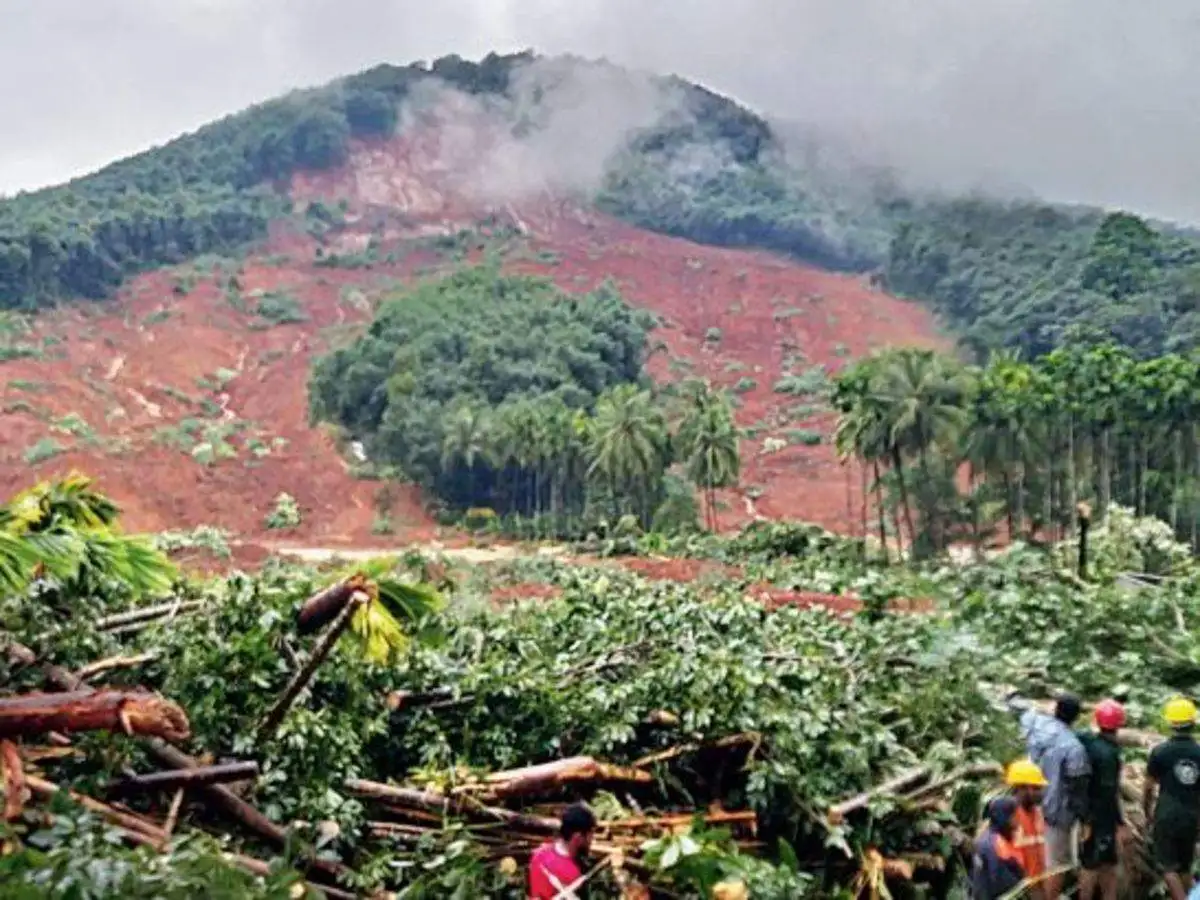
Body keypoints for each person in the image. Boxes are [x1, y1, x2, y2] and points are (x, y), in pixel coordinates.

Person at [1009, 690, 1092, 898]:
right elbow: (1077, 787)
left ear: (1055, 708)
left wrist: (1013, 696)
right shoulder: (1074, 748)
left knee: (1027, 854)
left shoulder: (1036, 723)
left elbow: (1018, 708)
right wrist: (1084, 818)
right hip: (1056, 810)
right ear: (1076, 717)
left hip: (1026, 802)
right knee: (1056, 865)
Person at [1145, 697, 1200, 900]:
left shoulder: (1160, 752)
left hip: (1167, 813)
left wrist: (1147, 811)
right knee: (1185, 866)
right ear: (1192, 723)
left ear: (1170, 723)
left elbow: (1148, 787)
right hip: (1192, 814)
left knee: (1167, 867)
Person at [1077, 698, 1126, 900]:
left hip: (1090, 812)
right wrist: (1120, 823)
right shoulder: (1108, 755)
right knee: (1092, 865)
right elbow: (1108, 792)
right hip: (1100, 818)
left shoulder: (1091, 743)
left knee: (1107, 865)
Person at [528, 803, 596, 899]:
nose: (592, 840)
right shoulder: (575, 873)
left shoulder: (539, 855)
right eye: (590, 835)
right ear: (578, 837)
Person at [972, 796, 1027, 899]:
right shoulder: (993, 844)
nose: (1019, 817)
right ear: (1004, 817)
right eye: (1014, 814)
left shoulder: (1001, 836)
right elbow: (1003, 882)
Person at [1007, 758, 1048, 895]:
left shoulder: (1038, 813)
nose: (1040, 792)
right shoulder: (1007, 816)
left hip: (1039, 883)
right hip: (1019, 889)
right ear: (1021, 788)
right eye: (1036, 788)